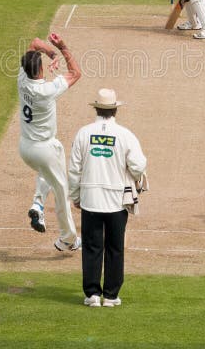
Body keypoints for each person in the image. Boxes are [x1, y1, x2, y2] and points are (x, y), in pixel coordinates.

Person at [68, 88, 147, 307]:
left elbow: (74, 169)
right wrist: (135, 176)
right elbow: (139, 165)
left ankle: (92, 294)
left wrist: (76, 195)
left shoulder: (84, 133)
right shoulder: (125, 135)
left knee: (92, 247)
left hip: (91, 199)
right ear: (114, 110)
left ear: (96, 109)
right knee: (115, 247)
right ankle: (111, 296)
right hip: (116, 201)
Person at [18, 33, 82, 251]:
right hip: (43, 149)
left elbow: (34, 43)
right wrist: (61, 47)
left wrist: (49, 53)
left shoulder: (21, 78)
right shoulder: (46, 91)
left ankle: (37, 204)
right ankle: (68, 238)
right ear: (41, 70)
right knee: (62, 190)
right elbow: (76, 73)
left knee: (50, 165)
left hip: (25, 147)